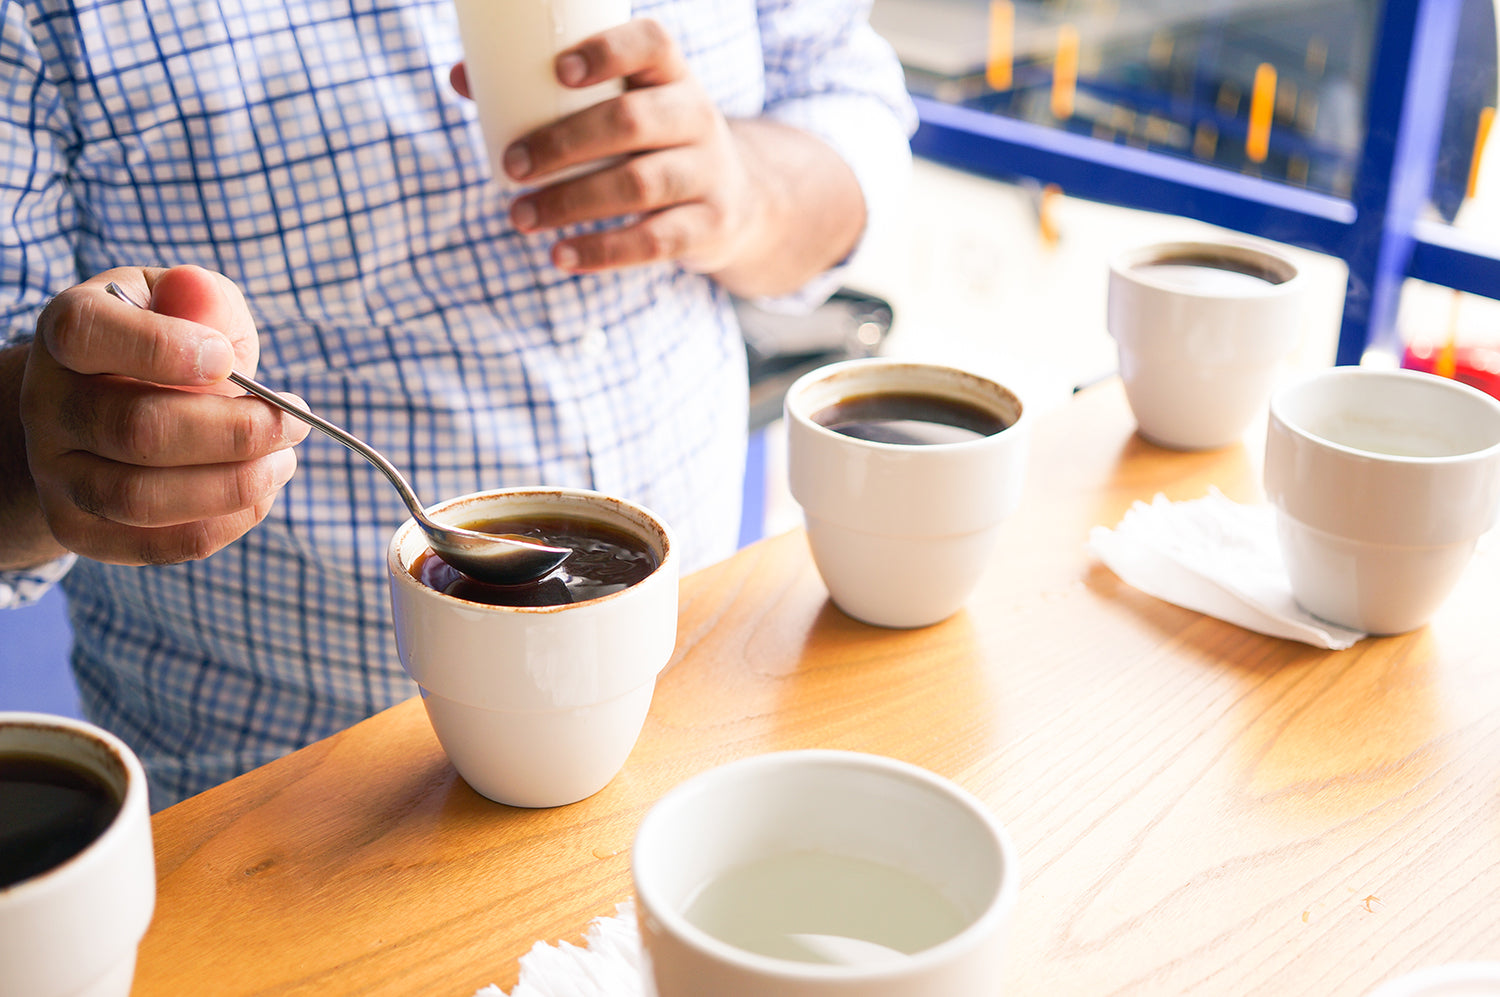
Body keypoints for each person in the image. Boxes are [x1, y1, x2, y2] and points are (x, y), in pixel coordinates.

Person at [0, 0, 915, 810]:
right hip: (291, 806)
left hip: (713, 702)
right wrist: (62, 433)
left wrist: (750, 193)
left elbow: (847, 91)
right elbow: (32, 413)